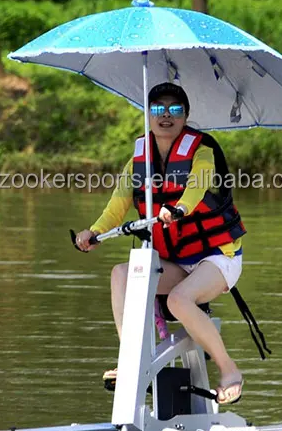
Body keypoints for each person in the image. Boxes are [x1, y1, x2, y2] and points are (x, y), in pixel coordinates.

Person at [74, 82, 246, 405]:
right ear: (147, 115)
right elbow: (116, 207)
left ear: (186, 116)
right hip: (178, 261)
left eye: (175, 109)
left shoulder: (201, 152)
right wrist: (93, 232)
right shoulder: (139, 162)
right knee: (121, 274)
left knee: (178, 301)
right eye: (157, 109)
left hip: (217, 256)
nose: (165, 116)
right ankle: (131, 363)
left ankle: (230, 371)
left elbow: (197, 186)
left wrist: (179, 208)